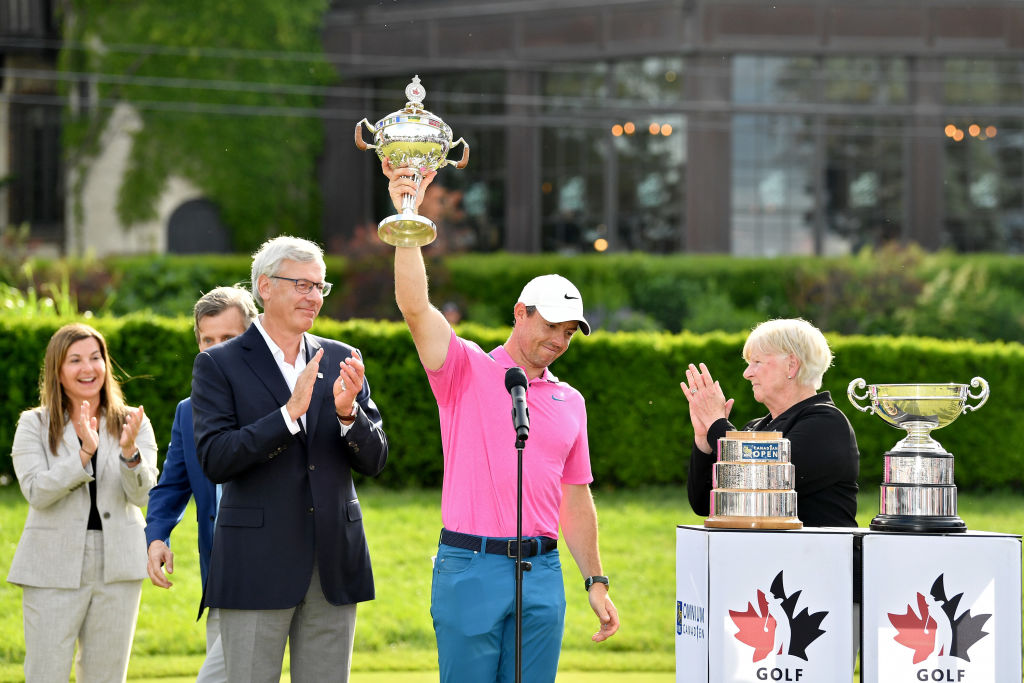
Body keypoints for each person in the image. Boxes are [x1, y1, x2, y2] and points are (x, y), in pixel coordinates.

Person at [385, 160, 619, 683]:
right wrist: (409, 220)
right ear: (520, 313)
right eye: (550, 326)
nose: (559, 341)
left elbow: (575, 497)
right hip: (470, 566)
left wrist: (595, 580)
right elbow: (415, 306)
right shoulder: (466, 367)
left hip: (544, 572)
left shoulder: (571, 401)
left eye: (569, 333)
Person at [190, 236, 388, 683]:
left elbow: (375, 460)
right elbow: (216, 458)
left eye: (320, 287)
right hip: (256, 564)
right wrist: (287, 415)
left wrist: (347, 413)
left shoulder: (341, 358)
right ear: (265, 286)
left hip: (334, 565)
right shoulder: (219, 364)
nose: (313, 296)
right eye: (301, 285)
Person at [7, 322, 158, 682]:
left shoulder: (132, 422)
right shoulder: (33, 424)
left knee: (106, 675)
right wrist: (83, 454)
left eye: (95, 357)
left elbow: (143, 495)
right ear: (57, 370)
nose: (88, 368)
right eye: (75, 360)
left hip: (118, 564)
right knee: (46, 672)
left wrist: (129, 453)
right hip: (51, 566)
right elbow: (37, 491)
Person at [145, 286, 257, 682]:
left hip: (274, 574)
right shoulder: (187, 412)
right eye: (206, 340)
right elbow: (171, 487)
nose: (214, 351)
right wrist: (158, 536)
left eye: (228, 339)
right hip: (221, 579)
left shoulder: (279, 401)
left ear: (253, 336)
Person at [682, 317, 859, 527]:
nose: (747, 373)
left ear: (791, 365)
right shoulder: (754, 428)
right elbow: (704, 504)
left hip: (816, 558)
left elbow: (760, 481)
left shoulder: (827, 424)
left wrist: (717, 425)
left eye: (757, 362)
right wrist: (704, 440)